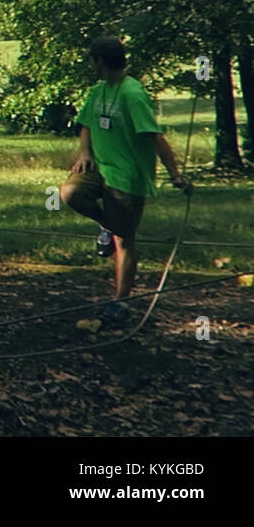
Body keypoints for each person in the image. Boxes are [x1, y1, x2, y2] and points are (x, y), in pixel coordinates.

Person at [59, 37, 192, 327]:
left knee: (124, 241)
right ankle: (105, 224)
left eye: (92, 59)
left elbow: (154, 136)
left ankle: (120, 301)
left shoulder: (133, 94)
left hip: (128, 177)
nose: (90, 65)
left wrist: (176, 174)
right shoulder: (98, 91)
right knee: (70, 193)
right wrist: (85, 153)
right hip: (100, 168)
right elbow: (85, 125)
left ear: (100, 61)